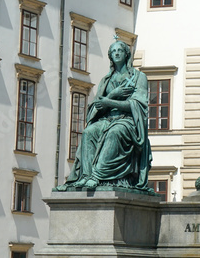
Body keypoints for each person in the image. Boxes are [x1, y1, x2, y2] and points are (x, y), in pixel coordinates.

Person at [61, 40, 152, 190]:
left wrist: (110, 102)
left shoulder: (139, 77)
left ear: (126, 54)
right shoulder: (106, 80)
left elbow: (137, 105)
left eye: (120, 50)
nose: (116, 53)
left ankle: (97, 176)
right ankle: (85, 176)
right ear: (110, 56)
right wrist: (114, 95)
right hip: (107, 119)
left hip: (127, 121)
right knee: (88, 132)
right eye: (113, 51)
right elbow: (97, 106)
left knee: (115, 133)